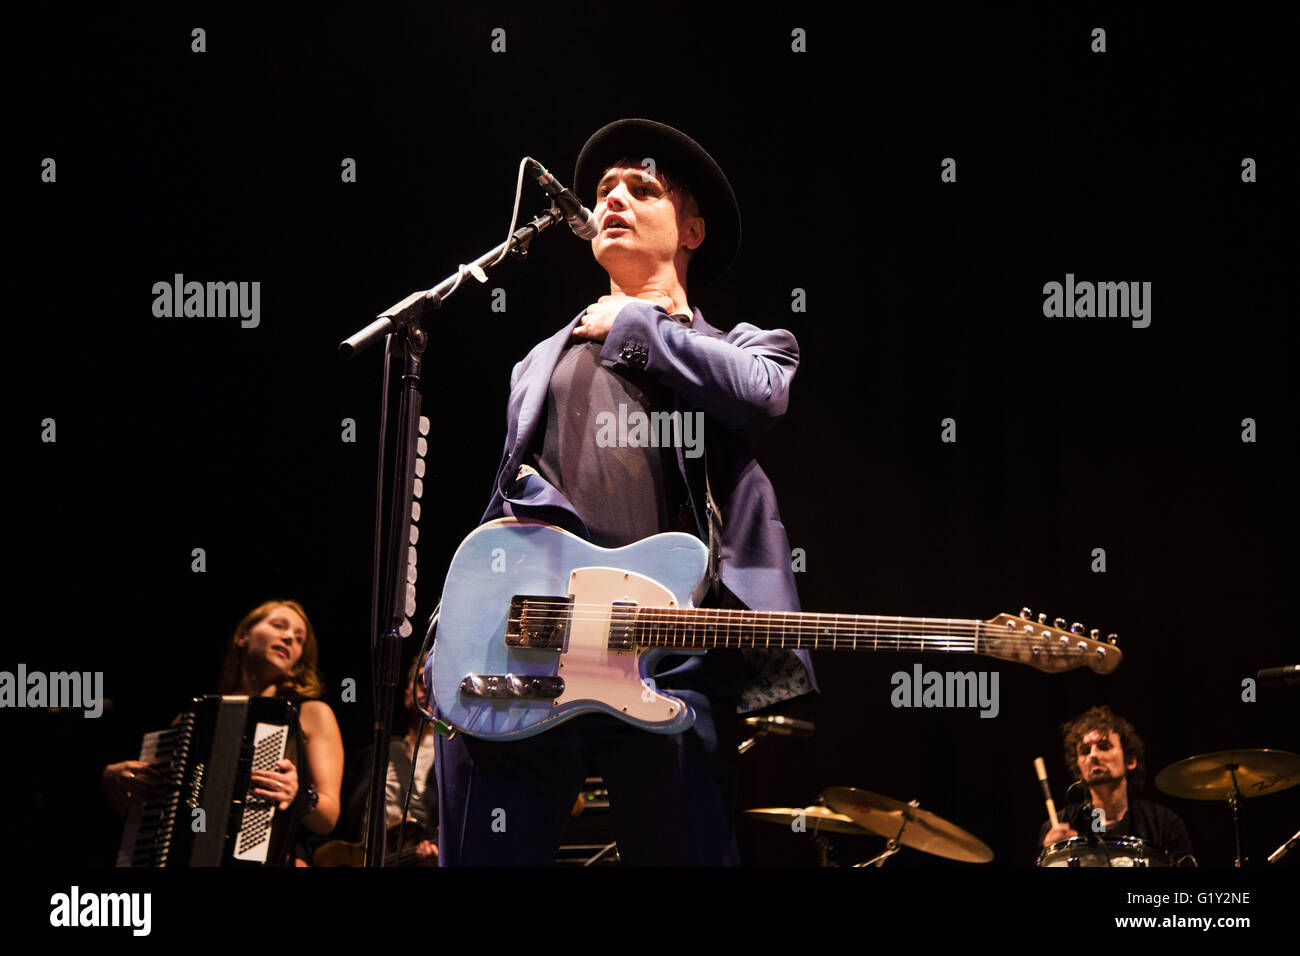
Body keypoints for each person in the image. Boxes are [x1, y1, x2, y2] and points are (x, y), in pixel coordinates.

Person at [432, 118, 815, 866]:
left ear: (692, 230)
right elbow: (504, 510)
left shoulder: (745, 346)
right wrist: (449, 629)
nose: (612, 199)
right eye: (603, 189)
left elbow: (763, 397)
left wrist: (634, 321)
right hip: (535, 651)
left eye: (641, 189)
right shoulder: (543, 358)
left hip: (673, 656)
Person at [102, 600, 344, 865]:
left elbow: (328, 818)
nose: (288, 637)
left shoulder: (312, 713)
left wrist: (299, 795)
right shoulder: (194, 717)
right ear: (242, 636)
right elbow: (150, 813)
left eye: (299, 639)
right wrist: (116, 782)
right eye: (278, 625)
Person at [1038, 705, 1195, 864]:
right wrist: (1053, 856)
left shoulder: (1163, 823)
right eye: (1085, 750)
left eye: (1104, 747)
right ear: (1078, 768)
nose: (1093, 755)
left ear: (1130, 760)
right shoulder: (1059, 826)